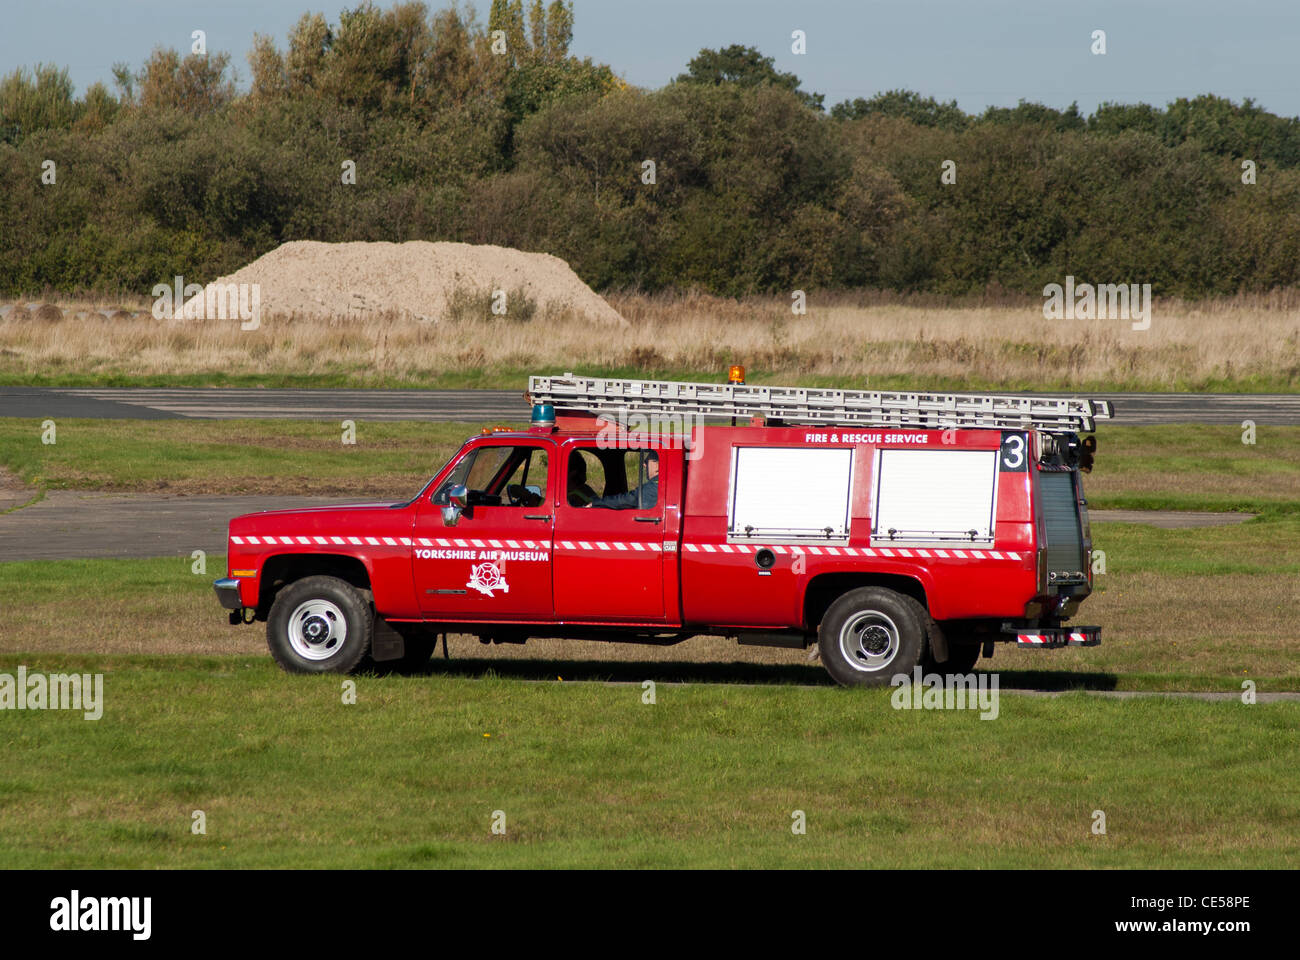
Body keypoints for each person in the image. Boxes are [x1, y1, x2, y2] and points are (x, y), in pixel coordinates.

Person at [590, 452, 658, 510]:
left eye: (646, 461)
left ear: (658, 464)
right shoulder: (659, 484)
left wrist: (595, 503)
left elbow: (627, 500)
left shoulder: (652, 487)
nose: (644, 465)